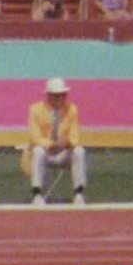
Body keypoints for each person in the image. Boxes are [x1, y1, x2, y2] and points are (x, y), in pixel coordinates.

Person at [25, 77, 88, 205]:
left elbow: (75, 136)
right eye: (56, 96)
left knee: (79, 151)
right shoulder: (35, 110)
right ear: (48, 96)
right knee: (38, 151)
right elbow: (35, 137)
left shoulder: (72, 109)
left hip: (63, 153)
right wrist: (50, 145)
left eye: (63, 95)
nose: (60, 99)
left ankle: (79, 193)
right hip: (46, 152)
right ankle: (37, 194)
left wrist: (66, 143)